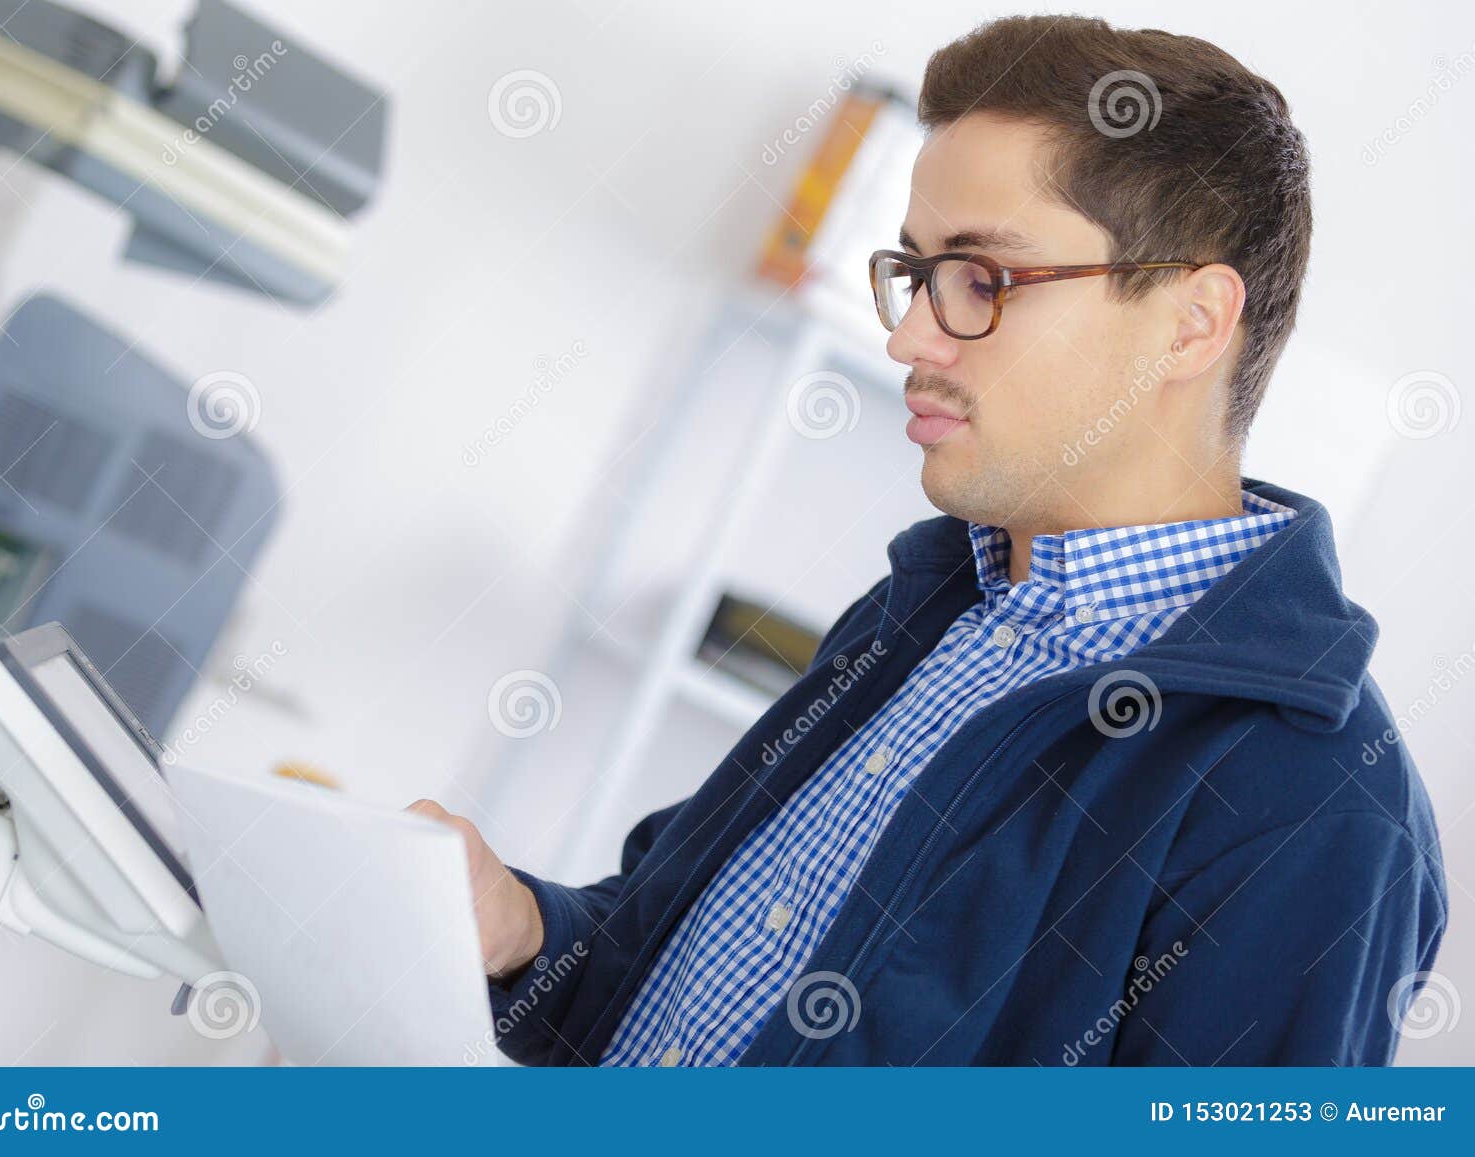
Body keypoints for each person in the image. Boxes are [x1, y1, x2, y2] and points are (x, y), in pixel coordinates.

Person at [411, 13, 1446, 1066]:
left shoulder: (1315, 806)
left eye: (982, 278)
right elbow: (663, 990)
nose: (908, 334)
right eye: (914, 274)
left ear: (1189, 322)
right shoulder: (931, 603)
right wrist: (516, 932)